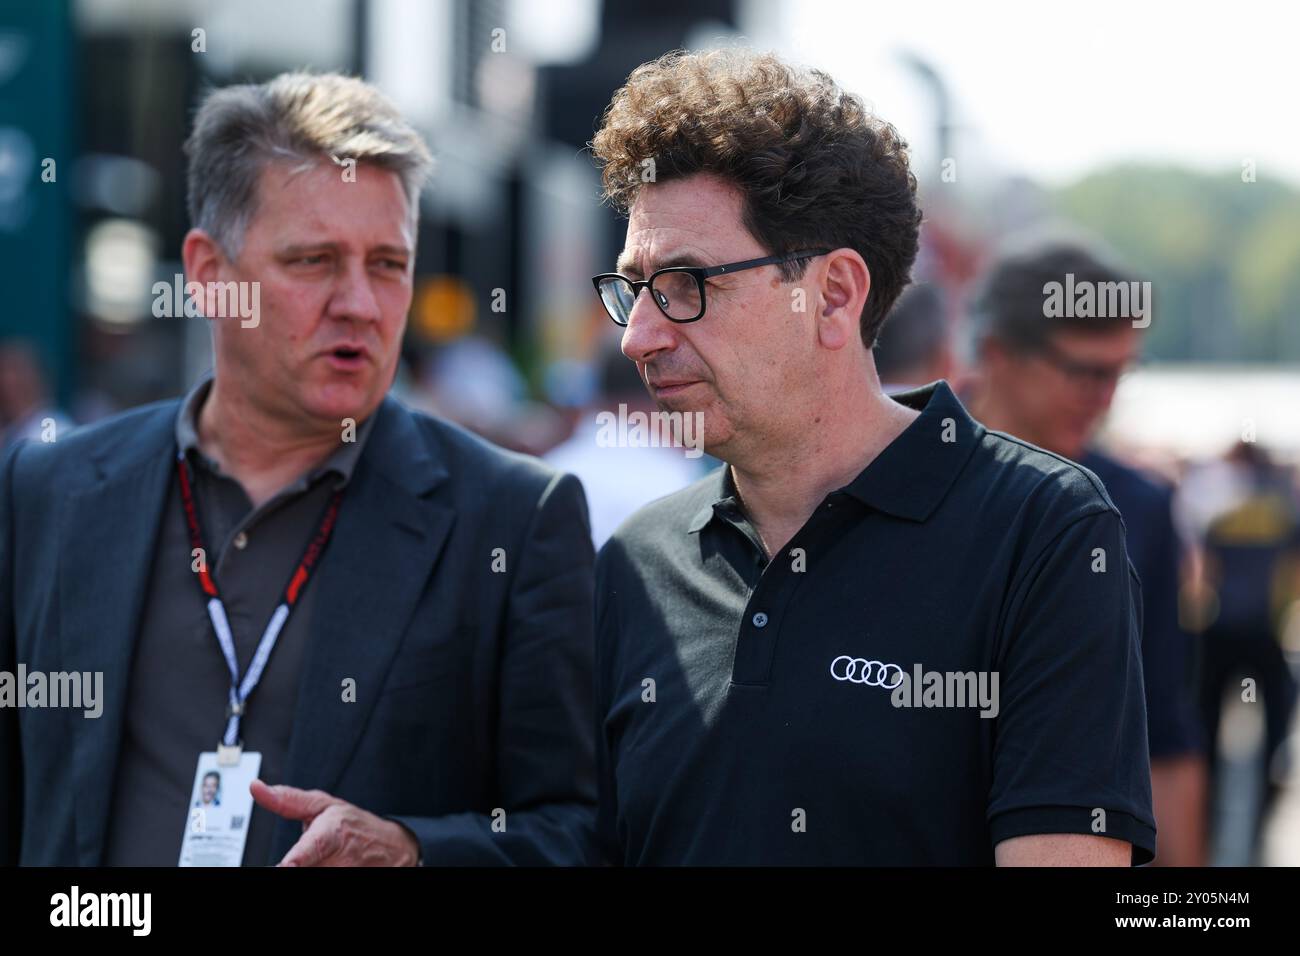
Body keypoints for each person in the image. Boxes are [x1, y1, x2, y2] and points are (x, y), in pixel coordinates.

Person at [0, 72, 596, 867]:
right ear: (209, 274)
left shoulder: (513, 520)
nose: (359, 302)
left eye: (388, 264)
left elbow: (581, 832)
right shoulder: (52, 488)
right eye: (314, 260)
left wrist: (413, 852)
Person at [588, 48, 1155, 866]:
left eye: (685, 284)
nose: (639, 334)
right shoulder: (639, 561)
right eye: (633, 287)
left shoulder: (1044, 534)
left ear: (834, 295)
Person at [965, 240, 1208, 865]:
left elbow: (1165, 730)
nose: (1106, 398)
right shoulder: (897, 472)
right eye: (1087, 372)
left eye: (1122, 373)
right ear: (998, 353)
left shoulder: (1140, 506)